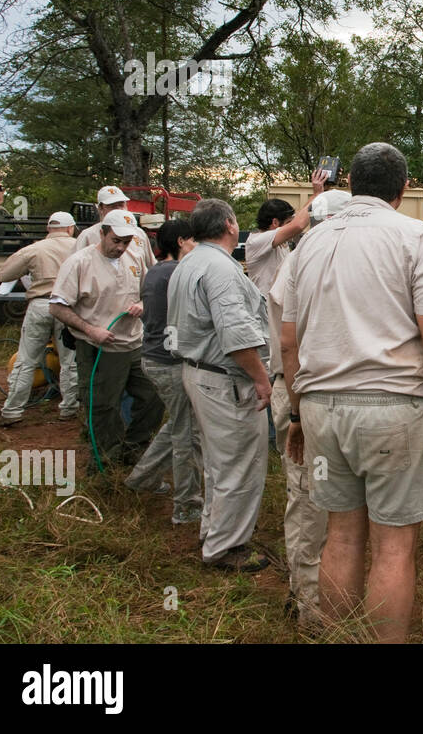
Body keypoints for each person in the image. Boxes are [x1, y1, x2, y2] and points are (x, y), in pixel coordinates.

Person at [282, 142, 423, 642]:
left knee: (340, 536)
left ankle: (339, 638)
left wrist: (296, 416)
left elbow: (288, 343)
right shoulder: (416, 237)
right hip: (392, 409)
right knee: (394, 548)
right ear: (403, 188)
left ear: (350, 184)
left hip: (320, 409)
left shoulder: (307, 244)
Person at [168, 199, 272, 572]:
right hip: (225, 380)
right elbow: (236, 335)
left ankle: (214, 531)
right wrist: (261, 379)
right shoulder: (220, 268)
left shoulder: (190, 262)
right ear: (230, 225)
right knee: (238, 465)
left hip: (200, 373)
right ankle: (227, 548)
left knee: (217, 462)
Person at [268, 190, 351, 629]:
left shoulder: (312, 262)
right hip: (302, 390)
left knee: (325, 498)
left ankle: (318, 594)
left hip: (316, 393)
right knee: (308, 499)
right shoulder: (303, 266)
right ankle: (308, 605)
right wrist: (298, 414)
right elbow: (291, 346)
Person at [49, 210, 163, 472]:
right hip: (98, 347)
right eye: (116, 241)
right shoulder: (79, 262)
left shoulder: (134, 257)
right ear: (102, 233)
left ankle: (132, 449)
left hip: (134, 343)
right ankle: (106, 464)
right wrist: (90, 330)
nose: (121, 247)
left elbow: (148, 292)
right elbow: (57, 306)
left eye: (126, 241)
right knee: (103, 405)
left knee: (153, 397)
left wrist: (143, 304)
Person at [123, 220, 204, 525]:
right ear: (181, 241)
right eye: (194, 240)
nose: (197, 246)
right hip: (169, 363)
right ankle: (187, 505)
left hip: (154, 358)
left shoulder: (156, 271)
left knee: (177, 424)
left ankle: (141, 478)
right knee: (187, 435)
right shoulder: (177, 273)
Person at [0, 212, 81, 427]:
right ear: (70, 228)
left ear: (48, 229)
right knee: (70, 360)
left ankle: (12, 410)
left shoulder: (35, 249)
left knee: (26, 360)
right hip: (69, 306)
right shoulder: (81, 247)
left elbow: (3, 275)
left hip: (40, 305)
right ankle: (69, 408)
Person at [245, 170, 327, 296]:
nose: (290, 226)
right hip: (265, 305)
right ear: (275, 222)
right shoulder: (257, 241)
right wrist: (318, 195)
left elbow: (298, 218)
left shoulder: (277, 241)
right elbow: (298, 225)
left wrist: (316, 194)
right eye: (288, 222)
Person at [74, 186, 155, 271]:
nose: (118, 210)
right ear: (100, 208)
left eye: (121, 205)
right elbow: (75, 267)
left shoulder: (139, 233)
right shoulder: (87, 236)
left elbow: (151, 266)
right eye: (112, 206)